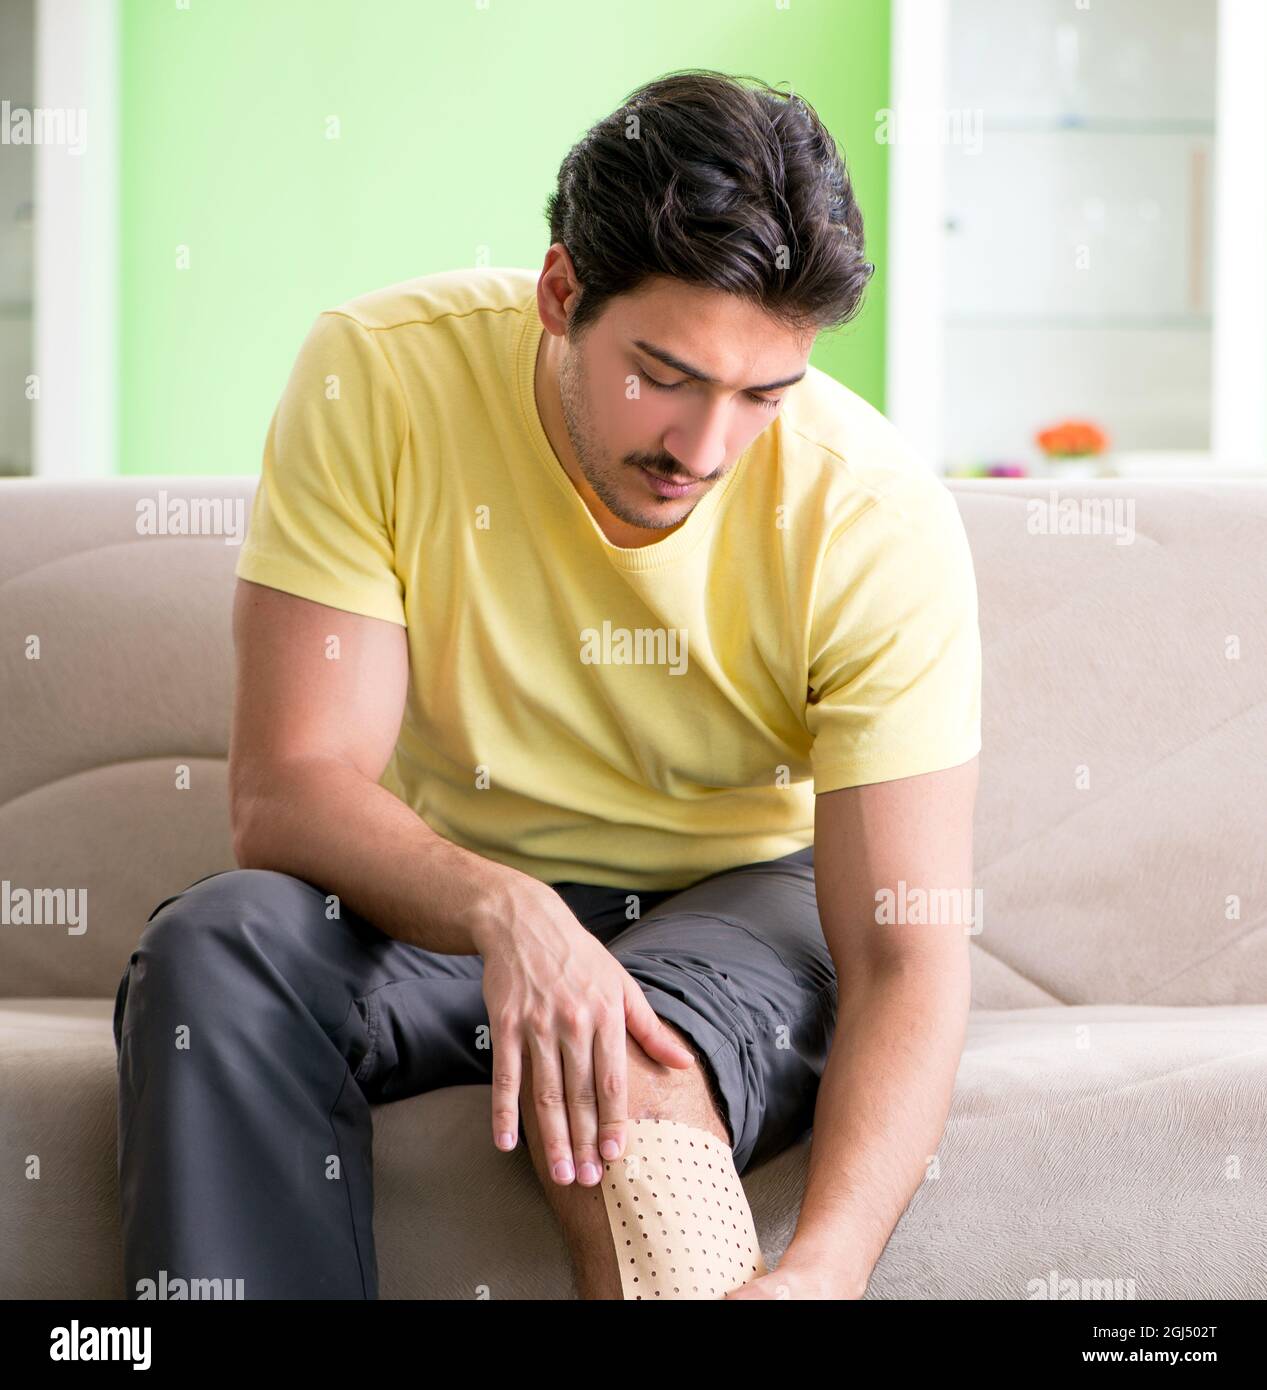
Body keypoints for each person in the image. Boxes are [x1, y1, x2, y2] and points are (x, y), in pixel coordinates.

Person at [113, 68, 981, 1301]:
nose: (706, 449)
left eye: (762, 397)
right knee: (218, 947)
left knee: (619, 1076)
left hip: (740, 897)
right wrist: (507, 910)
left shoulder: (875, 515)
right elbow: (289, 790)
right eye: (667, 375)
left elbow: (904, 954)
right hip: (440, 895)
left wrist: (828, 1266)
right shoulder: (381, 374)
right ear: (561, 291)